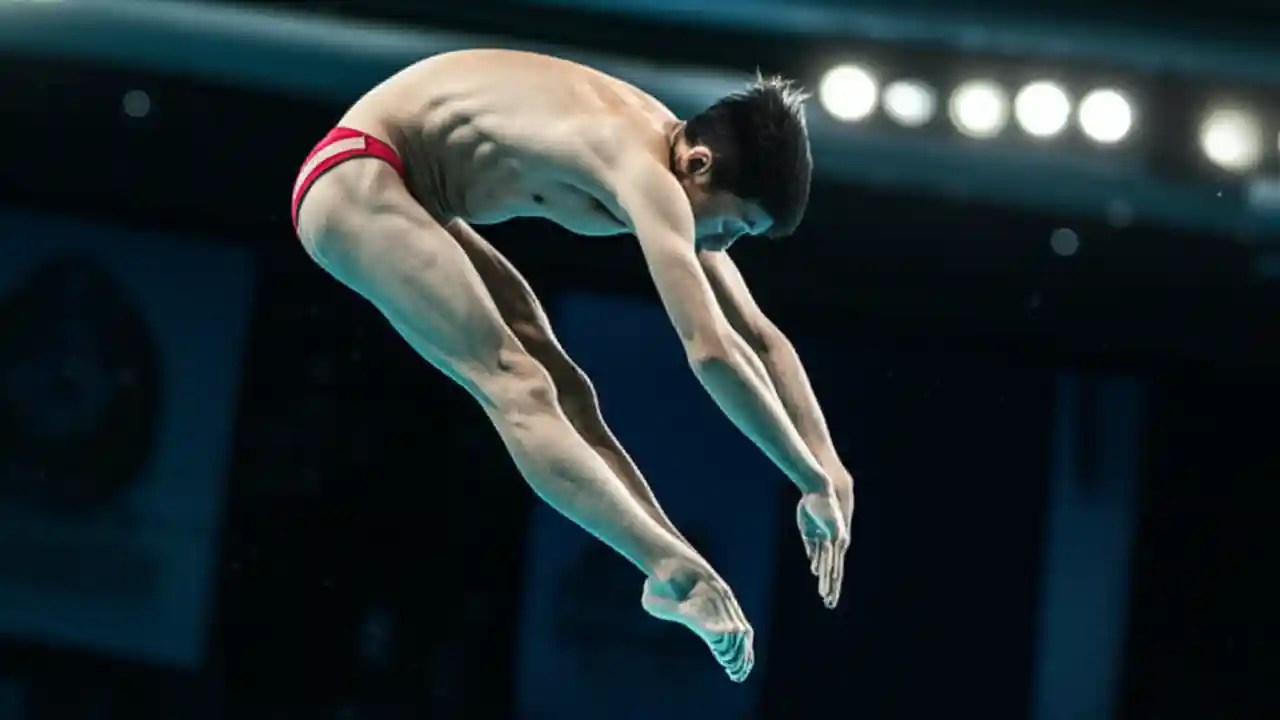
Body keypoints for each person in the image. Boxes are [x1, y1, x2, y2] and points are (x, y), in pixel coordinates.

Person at [290, 48, 854, 682]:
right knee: (517, 384)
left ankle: (667, 571)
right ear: (699, 165)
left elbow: (760, 335)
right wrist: (804, 477)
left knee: (568, 389)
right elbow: (712, 350)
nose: (725, 246)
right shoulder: (643, 168)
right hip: (356, 177)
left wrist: (830, 467)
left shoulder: (678, 161)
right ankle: (674, 570)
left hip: (409, 189)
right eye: (736, 227)